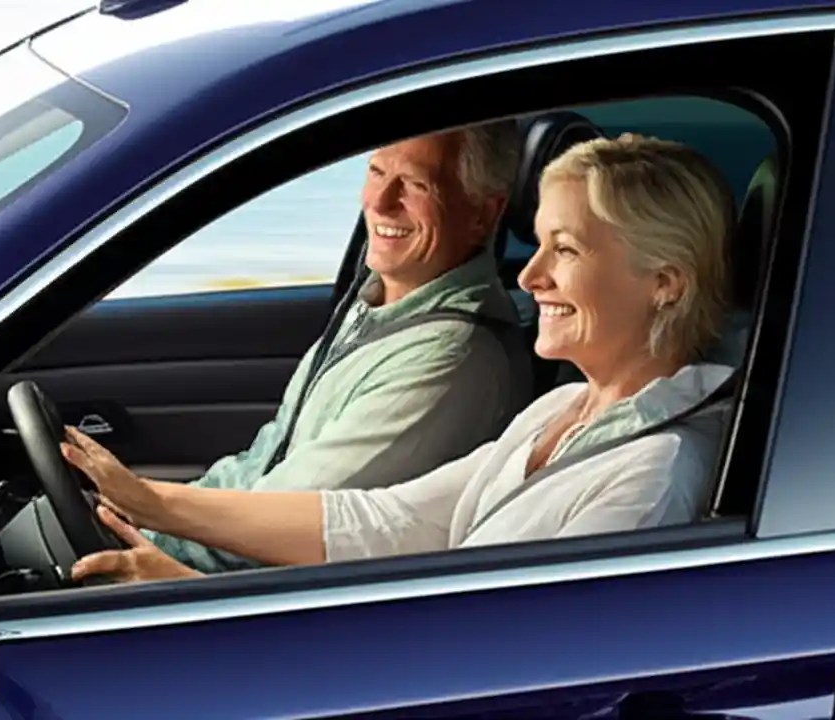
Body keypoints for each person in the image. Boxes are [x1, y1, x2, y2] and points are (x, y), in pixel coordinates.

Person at [62, 133, 736, 584]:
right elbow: (392, 522)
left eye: (566, 249)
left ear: (665, 282)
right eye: (537, 244)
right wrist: (155, 503)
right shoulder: (561, 409)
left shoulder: (651, 476)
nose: (530, 277)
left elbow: (482, 659)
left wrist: (186, 588)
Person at [133, 122, 532, 573]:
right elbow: (264, 460)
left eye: (415, 184)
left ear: (483, 214)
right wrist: (132, 516)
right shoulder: (379, 302)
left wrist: (146, 533)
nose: (379, 202)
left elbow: (277, 524)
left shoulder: (452, 358)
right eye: (377, 172)